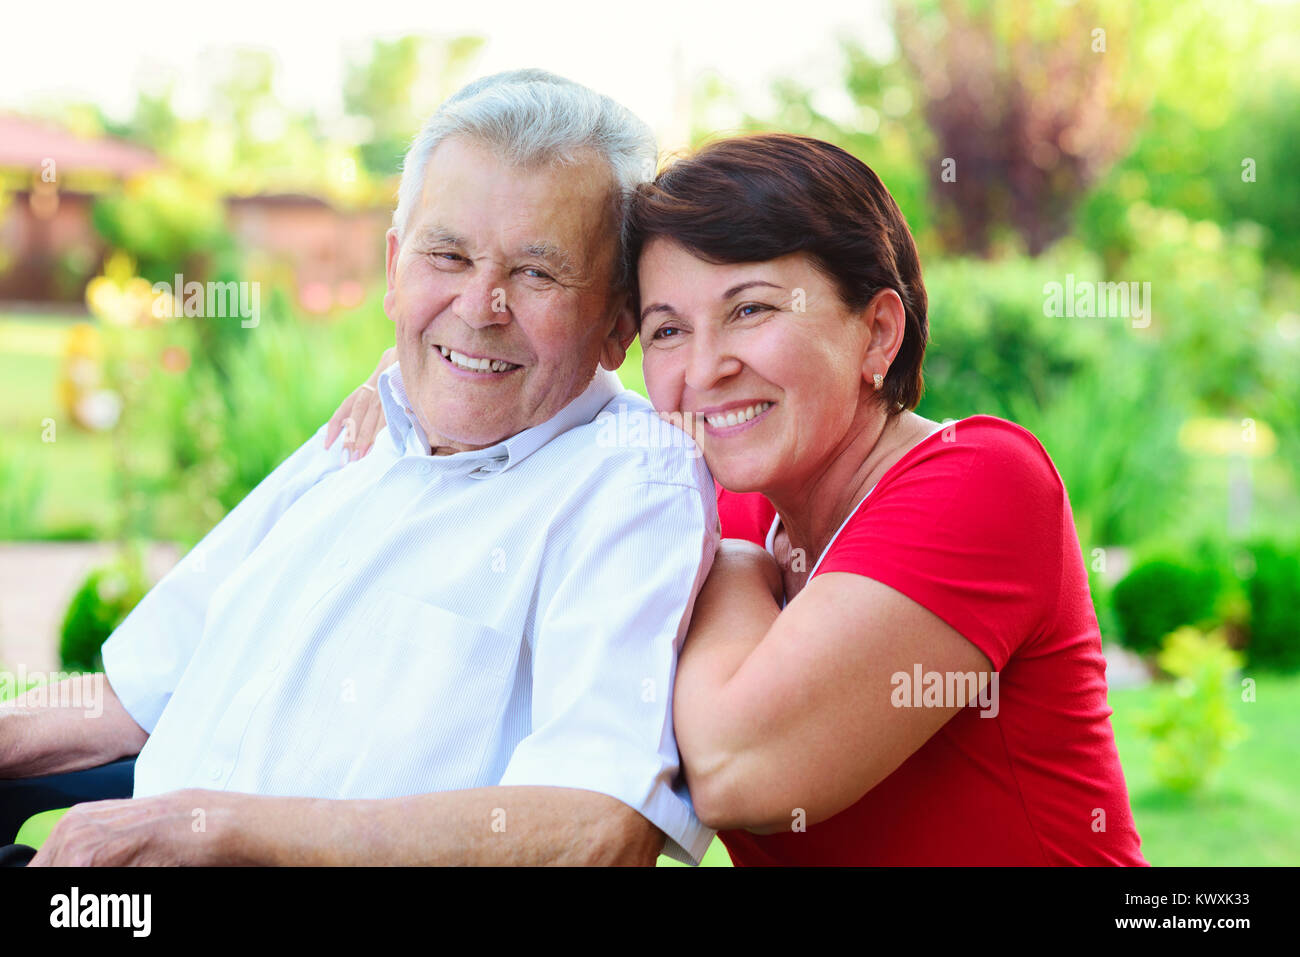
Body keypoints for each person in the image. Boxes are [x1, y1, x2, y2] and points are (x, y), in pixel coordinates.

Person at [338, 132, 1147, 865]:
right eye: (667, 329)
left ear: (878, 333)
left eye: (751, 309)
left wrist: (728, 562)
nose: (707, 366)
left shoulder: (979, 481)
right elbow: (570, 410)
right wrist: (424, 374)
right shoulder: (726, 495)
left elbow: (739, 771)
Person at [0, 70, 718, 867]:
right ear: (393, 268)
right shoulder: (364, 429)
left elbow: (598, 823)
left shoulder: (629, 479)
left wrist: (224, 830)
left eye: (537, 273)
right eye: (447, 255)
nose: (481, 306)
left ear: (618, 321)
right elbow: (133, 695)